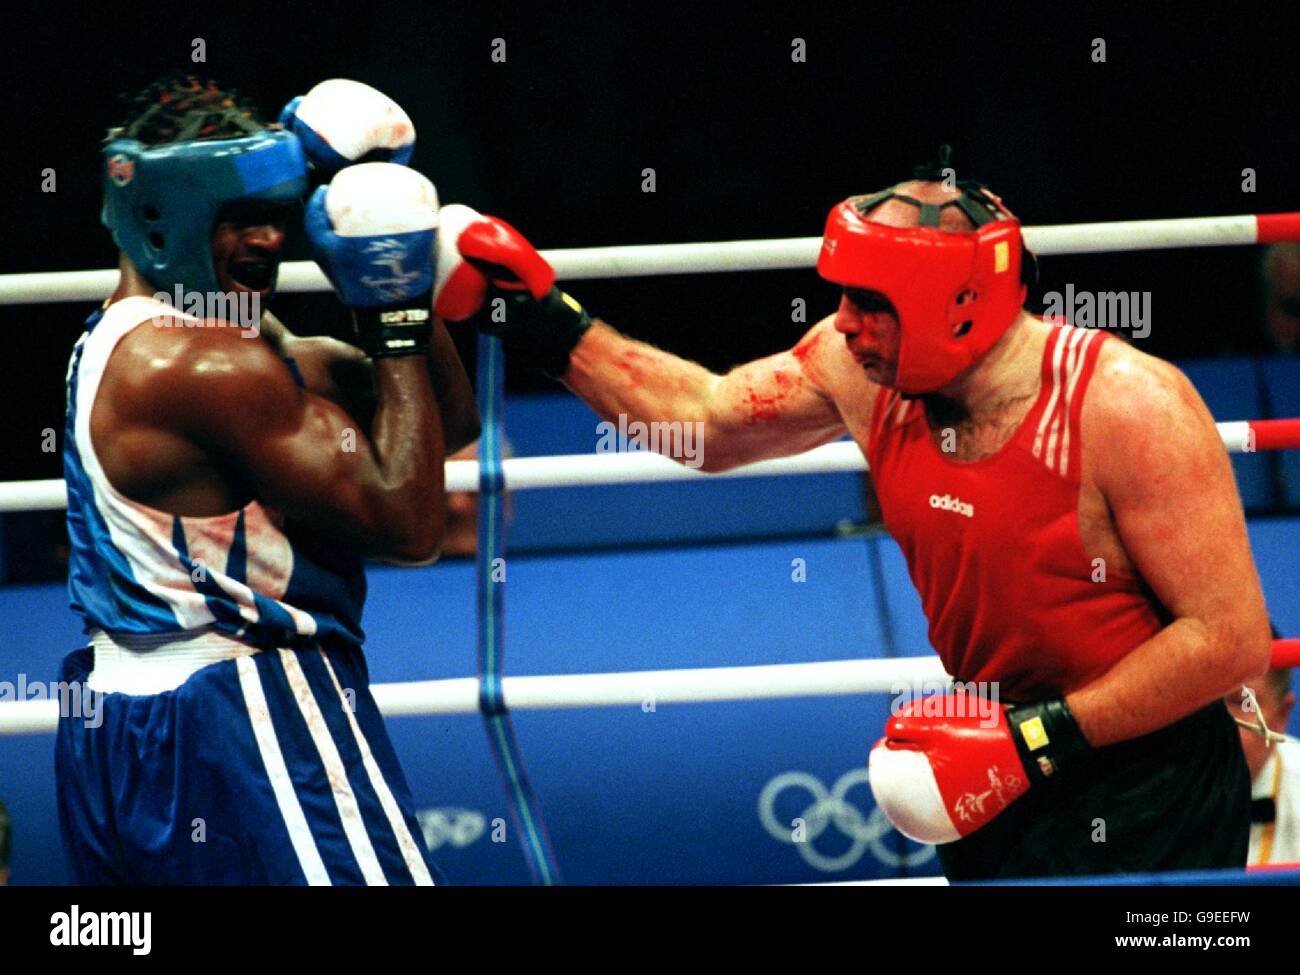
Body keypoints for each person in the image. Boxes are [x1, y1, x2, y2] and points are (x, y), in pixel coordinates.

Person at [430, 150, 1273, 879]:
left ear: (959, 304)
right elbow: (705, 420)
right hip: (988, 743)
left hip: (1145, 765)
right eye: (844, 297)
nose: (843, 323)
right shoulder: (862, 366)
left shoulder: (1129, 405)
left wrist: (1036, 741)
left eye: (872, 301)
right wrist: (539, 318)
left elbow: (1227, 637)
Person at [55, 76, 478, 885]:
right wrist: (392, 307)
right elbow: (411, 522)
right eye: (240, 219)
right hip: (250, 708)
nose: (271, 242)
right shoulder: (202, 366)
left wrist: (378, 252)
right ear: (167, 216)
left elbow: (436, 426)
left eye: (277, 216)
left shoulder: (136, 340)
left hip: (120, 729)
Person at [1226, 657, 1300, 865]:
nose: (1219, 726)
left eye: (1243, 703)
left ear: (1281, 715)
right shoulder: (1149, 786)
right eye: (1204, 703)